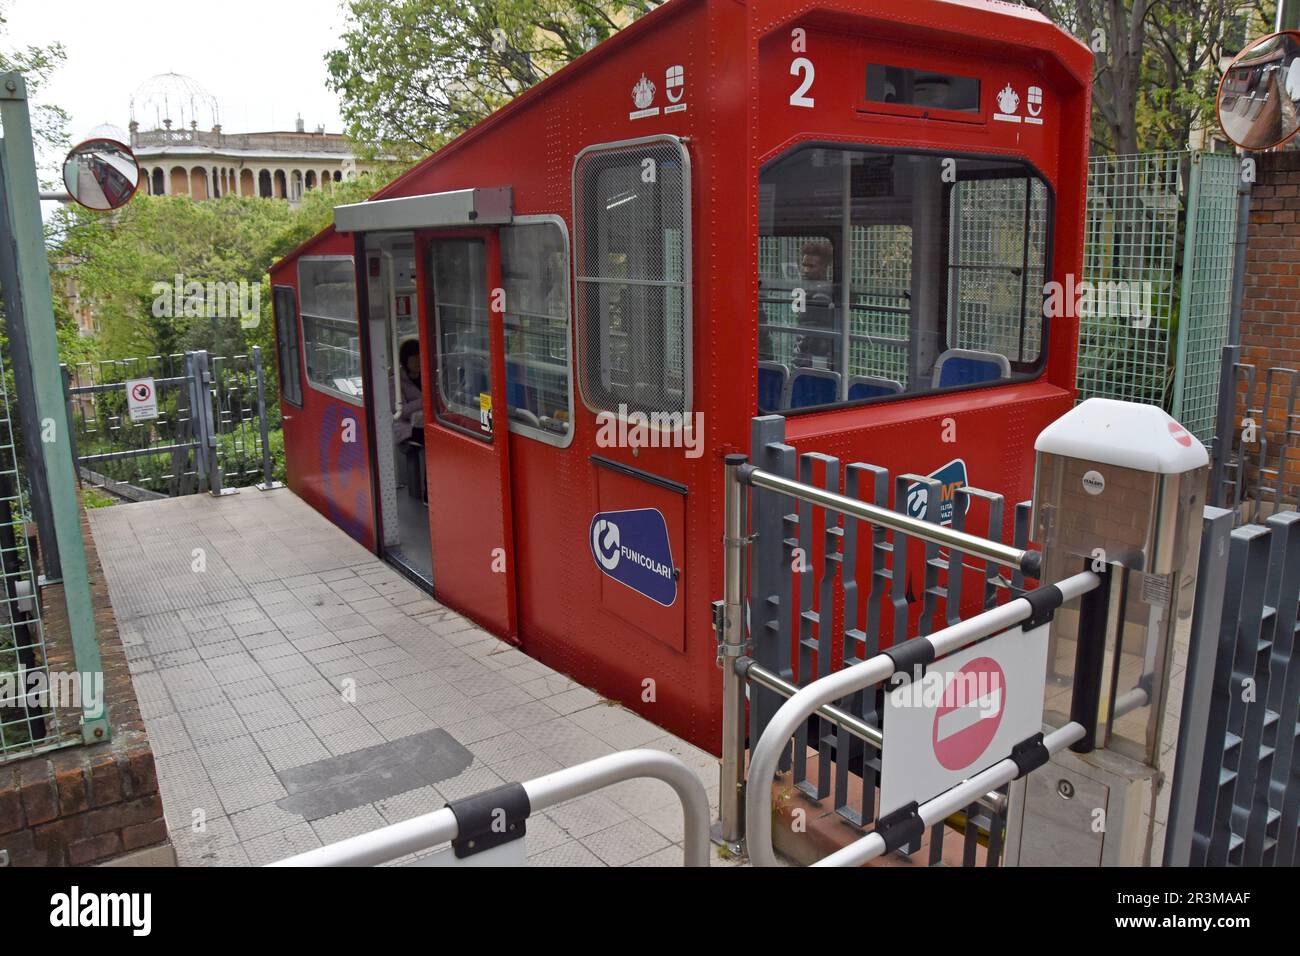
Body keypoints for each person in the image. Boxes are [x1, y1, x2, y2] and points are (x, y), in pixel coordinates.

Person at [791, 241, 837, 369]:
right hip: (800, 354)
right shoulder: (805, 289)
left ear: (824, 267)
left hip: (818, 358)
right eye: (804, 265)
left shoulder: (825, 294)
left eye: (811, 266)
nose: (805, 270)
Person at [392, 338, 424, 446]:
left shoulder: (427, 377)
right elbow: (402, 412)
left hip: (425, 421)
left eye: (420, 358)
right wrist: (424, 400)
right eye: (414, 359)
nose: (418, 362)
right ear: (405, 361)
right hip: (406, 427)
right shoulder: (395, 382)